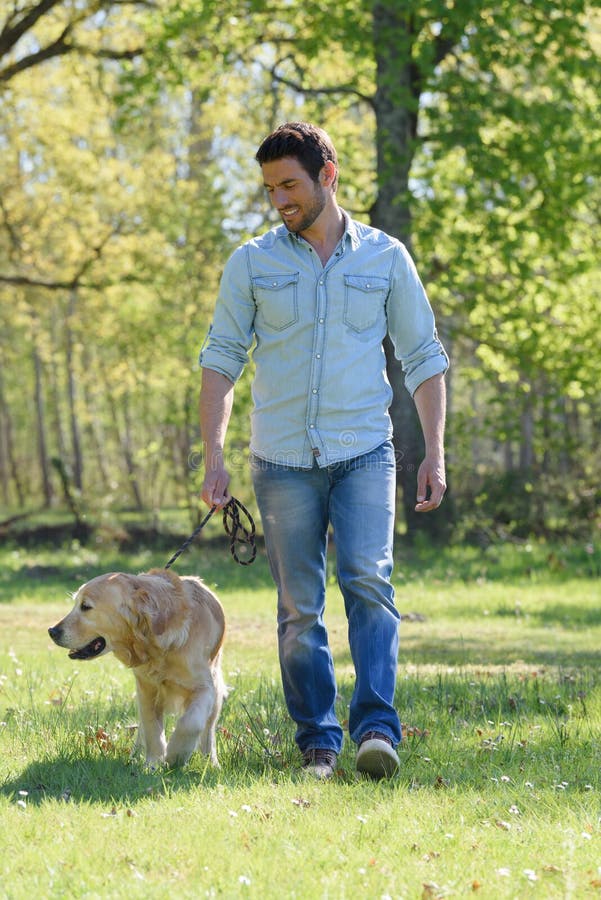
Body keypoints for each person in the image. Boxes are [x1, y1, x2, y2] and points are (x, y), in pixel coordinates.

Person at [199, 122, 448, 780]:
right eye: (269, 188)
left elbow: (423, 357)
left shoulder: (385, 258)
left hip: (364, 451)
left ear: (327, 176)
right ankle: (318, 742)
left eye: (289, 185)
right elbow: (221, 360)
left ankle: (376, 731)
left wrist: (435, 451)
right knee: (297, 608)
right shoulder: (251, 262)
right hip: (281, 461)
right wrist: (214, 456)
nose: (278, 199)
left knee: (368, 582)